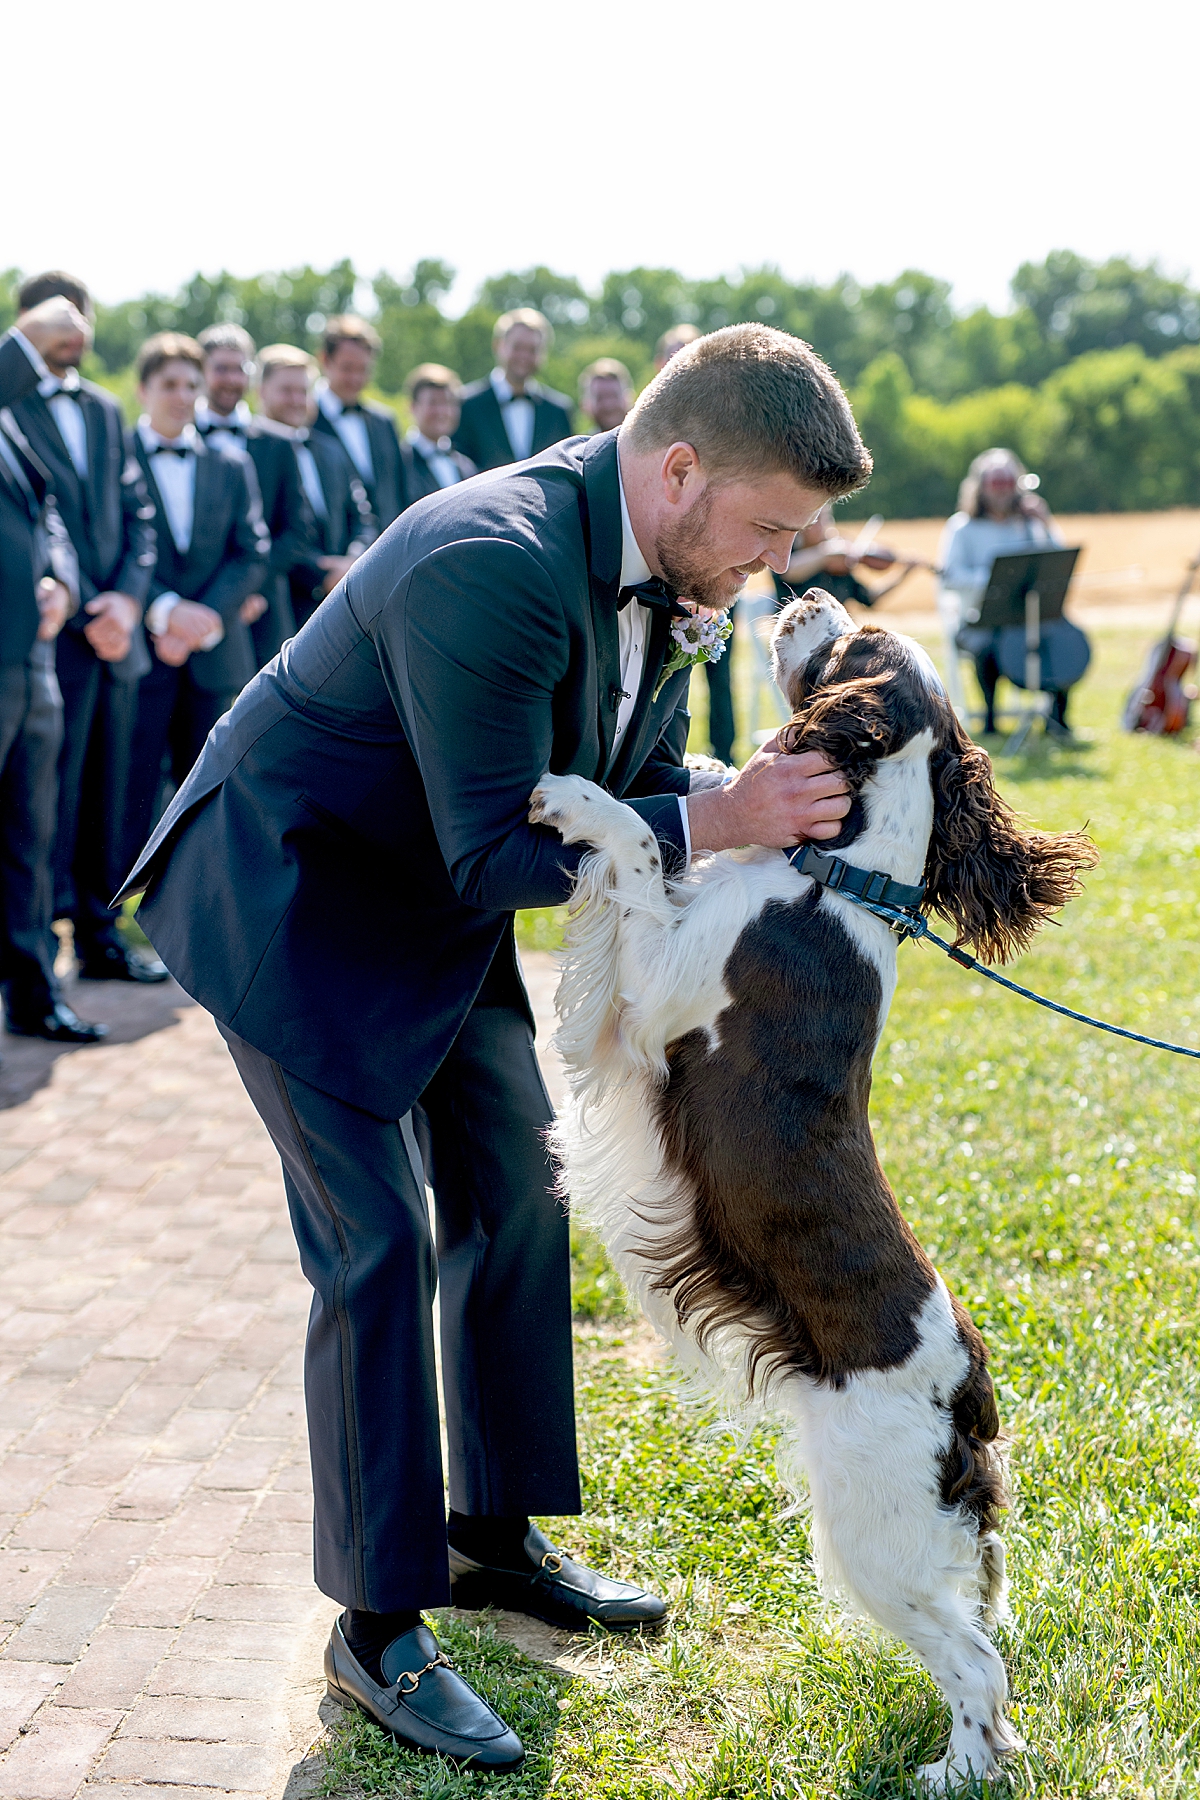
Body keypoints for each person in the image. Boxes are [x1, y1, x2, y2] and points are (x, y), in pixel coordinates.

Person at [116, 321, 868, 1771]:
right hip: (292, 902)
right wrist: (715, 821)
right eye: (771, 529)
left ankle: (489, 1537)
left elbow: (622, 774)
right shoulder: (494, 558)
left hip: (431, 901)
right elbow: (495, 854)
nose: (778, 562)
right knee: (377, 1247)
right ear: (680, 470)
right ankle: (377, 1626)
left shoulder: (664, 559)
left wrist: (726, 797)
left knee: (520, 1189)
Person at [9, 272, 165, 987]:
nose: (76, 329)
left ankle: (103, 938)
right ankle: (40, 951)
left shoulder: (106, 408)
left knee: (110, 793)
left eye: (84, 315)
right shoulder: (9, 405)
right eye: (60, 316)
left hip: (116, 636)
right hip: (50, 638)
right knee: (44, 807)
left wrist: (127, 604)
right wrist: (81, 608)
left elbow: (138, 514)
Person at [0, 304, 107, 1043]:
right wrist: (25, 338)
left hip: (32, 661)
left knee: (28, 838)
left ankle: (34, 996)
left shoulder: (13, 423)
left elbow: (50, 519)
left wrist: (61, 583)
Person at [123, 332, 269, 868]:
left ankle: (198, 900)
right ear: (143, 389)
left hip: (214, 655)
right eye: (170, 384)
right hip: (139, 654)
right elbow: (113, 547)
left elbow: (251, 552)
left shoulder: (230, 464)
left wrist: (201, 620)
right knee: (128, 791)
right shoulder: (118, 456)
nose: (183, 396)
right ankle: (115, 902)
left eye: (191, 384)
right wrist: (164, 612)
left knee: (210, 798)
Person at [940, 447, 1068, 733]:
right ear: (981, 487)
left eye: (1009, 482)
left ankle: (1058, 718)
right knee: (988, 646)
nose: (1003, 490)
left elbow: (1058, 561)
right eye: (996, 483)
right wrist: (993, 580)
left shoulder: (1028, 523)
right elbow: (950, 576)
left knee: (1060, 636)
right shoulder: (962, 528)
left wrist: (1045, 521)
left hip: (1027, 616)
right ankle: (990, 718)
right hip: (980, 619)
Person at [196, 324, 302, 667]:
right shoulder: (178, 437)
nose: (231, 379)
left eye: (239, 368)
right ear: (201, 371)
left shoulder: (280, 443)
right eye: (221, 368)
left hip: (262, 608)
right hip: (194, 605)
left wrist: (247, 587)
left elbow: (296, 530)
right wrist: (220, 598)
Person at [254, 344, 377, 630]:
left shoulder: (331, 449)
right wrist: (320, 575)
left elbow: (363, 517)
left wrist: (353, 561)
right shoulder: (247, 455)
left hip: (343, 600)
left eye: (304, 391)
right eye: (286, 390)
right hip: (278, 604)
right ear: (260, 391)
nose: (297, 400)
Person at [655, 322, 734, 760]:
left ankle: (721, 750)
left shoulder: (729, 434)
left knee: (718, 671)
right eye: (673, 355)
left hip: (714, 573)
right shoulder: (646, 430)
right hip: (659, 576)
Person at [310, 316, 405, 529]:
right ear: (324, 360)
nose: (355, 379)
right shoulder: (306, 424)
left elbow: (400, 494)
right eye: (347, 368)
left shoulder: (385, 422)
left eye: (363, 369)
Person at [452, 308, 573, 471]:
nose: (524, 356)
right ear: (498, 346)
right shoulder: (465, 404)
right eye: (517, 347)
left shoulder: (558, 411)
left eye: (533, 349)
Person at [773, 505, 923, 610]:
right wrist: (827, 552)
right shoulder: (787, 550)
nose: (822, 526)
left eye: (826, 519)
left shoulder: (841, 564)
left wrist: (903, 574)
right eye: (814, 520)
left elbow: (870, 598)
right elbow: (788, 571)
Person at [399, 365, 475, 505]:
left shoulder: (465, 465)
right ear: (413, 407)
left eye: (448, 403)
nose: (442, 411)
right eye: (433, 403)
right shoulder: (398, 462)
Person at [578, 357, 634, 433]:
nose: (608, 405)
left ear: (629, 397)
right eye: (600, 398)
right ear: (585, 404)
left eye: (614, 396)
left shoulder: (647, 439)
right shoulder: (583, 440)